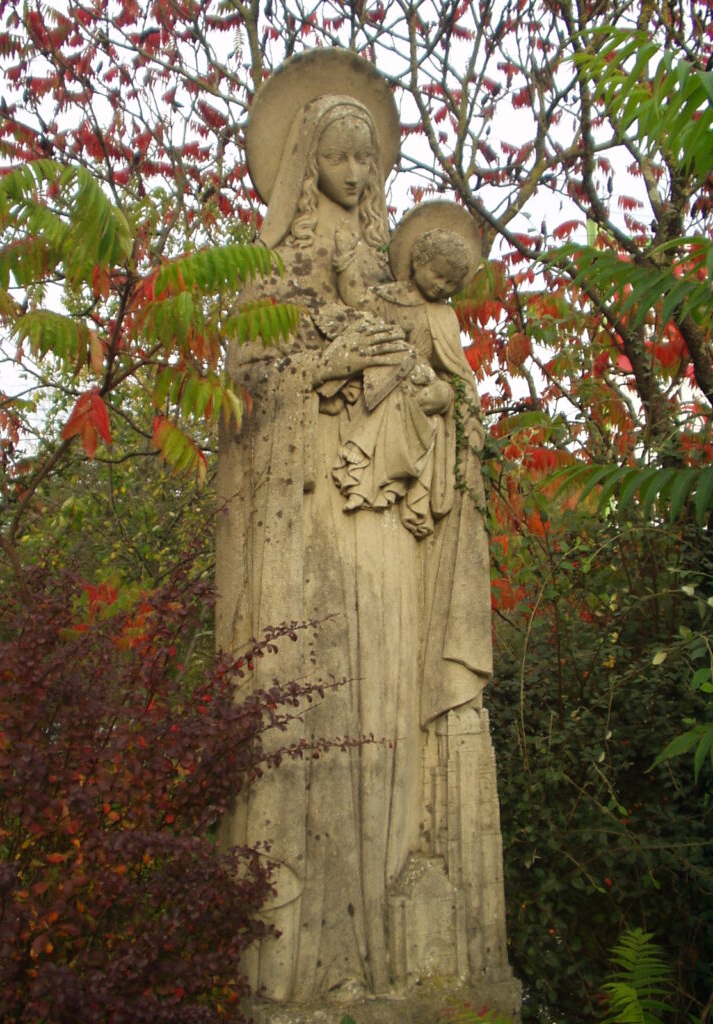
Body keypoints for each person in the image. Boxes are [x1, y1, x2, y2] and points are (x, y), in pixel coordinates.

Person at [216, 51, 493, 1006]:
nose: (360, 172)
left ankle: (392, 954)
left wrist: (425, 393)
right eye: (341, 153)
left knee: (385, 721)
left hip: (388, 537)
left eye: (369, 159)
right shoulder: (259, 281)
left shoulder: (395, 280)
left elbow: (442, 398)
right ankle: (310, 966)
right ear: (308, 157)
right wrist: (327, 362)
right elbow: (248, 409)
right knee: (318, 717)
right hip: (310, 544)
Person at [331, 206, 483, 540]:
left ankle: (392, 487)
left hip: (421, 392)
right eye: (437, 275)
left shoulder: (444, 317)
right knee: (381, 413)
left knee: (412, 412)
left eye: (450, 283)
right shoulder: (390, 298)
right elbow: (357, 300)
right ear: (417, 261)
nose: (442, 286)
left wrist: (447, 397)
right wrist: (345, 260)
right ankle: (364, 484)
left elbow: (457, 375)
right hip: (386, 384)